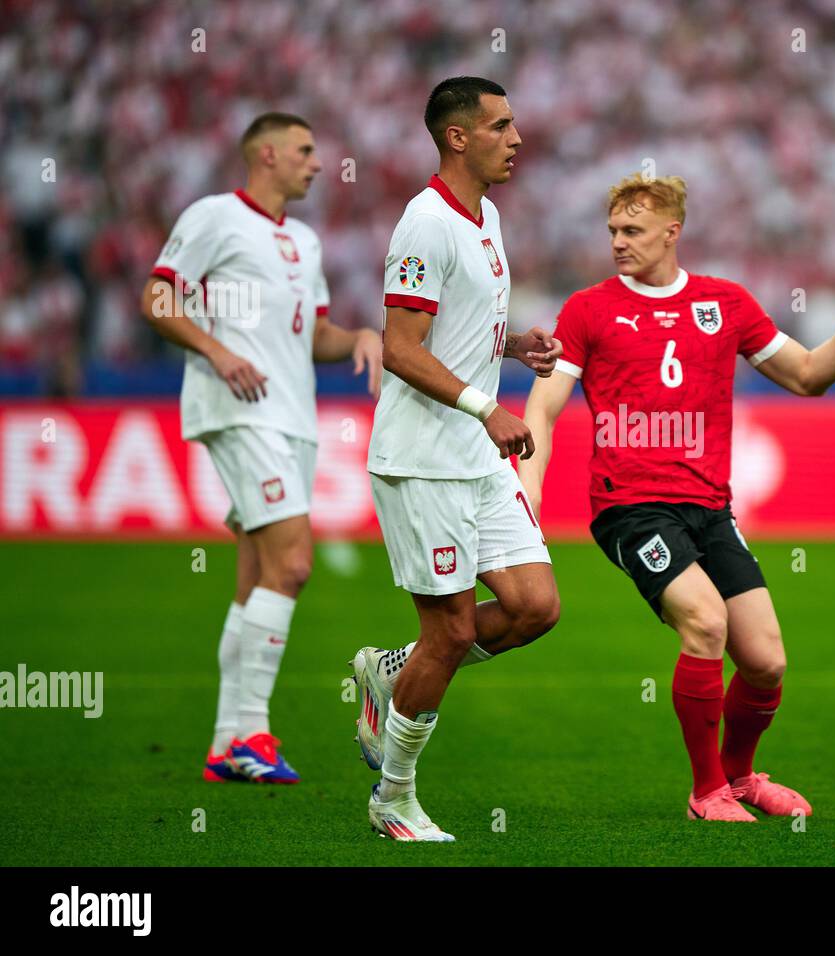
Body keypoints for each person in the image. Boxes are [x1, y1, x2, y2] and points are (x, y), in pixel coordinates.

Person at [518, 173, 835, 821]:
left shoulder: (724, 302)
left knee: (766, 661)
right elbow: (543, 406)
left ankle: (742, 778)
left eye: (632, 231)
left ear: (672, 232)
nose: (618, 242)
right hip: (630, 507)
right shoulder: (587, 309)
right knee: (705, 622)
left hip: (708, 508)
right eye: (613, 230)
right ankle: (705, 793)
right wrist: (526, 499)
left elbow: (808, 377)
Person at [142, 112, 383, 784]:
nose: (316, 163)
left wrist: (361, 336)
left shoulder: (303, 241)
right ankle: (253, 730)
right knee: (295, 564)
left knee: (255, 581)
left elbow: (316, 336)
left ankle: (226, 746)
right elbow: (157, 300)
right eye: (306, 151)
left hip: (292, 418)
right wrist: (218, 351)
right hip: (240, 411)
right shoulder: (215, 216)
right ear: (267, 154)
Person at [355, 77, 562, 842]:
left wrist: (516, 343)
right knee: (447, 633)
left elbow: (461, 328)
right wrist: (487, 406)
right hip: (423, 458)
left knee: (535, 605)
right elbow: (402, 349)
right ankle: (394, 800)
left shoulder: (488, 216)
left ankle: (391, 670)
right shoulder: (424, 223)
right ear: (457, 137)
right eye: (501, 126)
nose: (516, 138)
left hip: (472, 455)